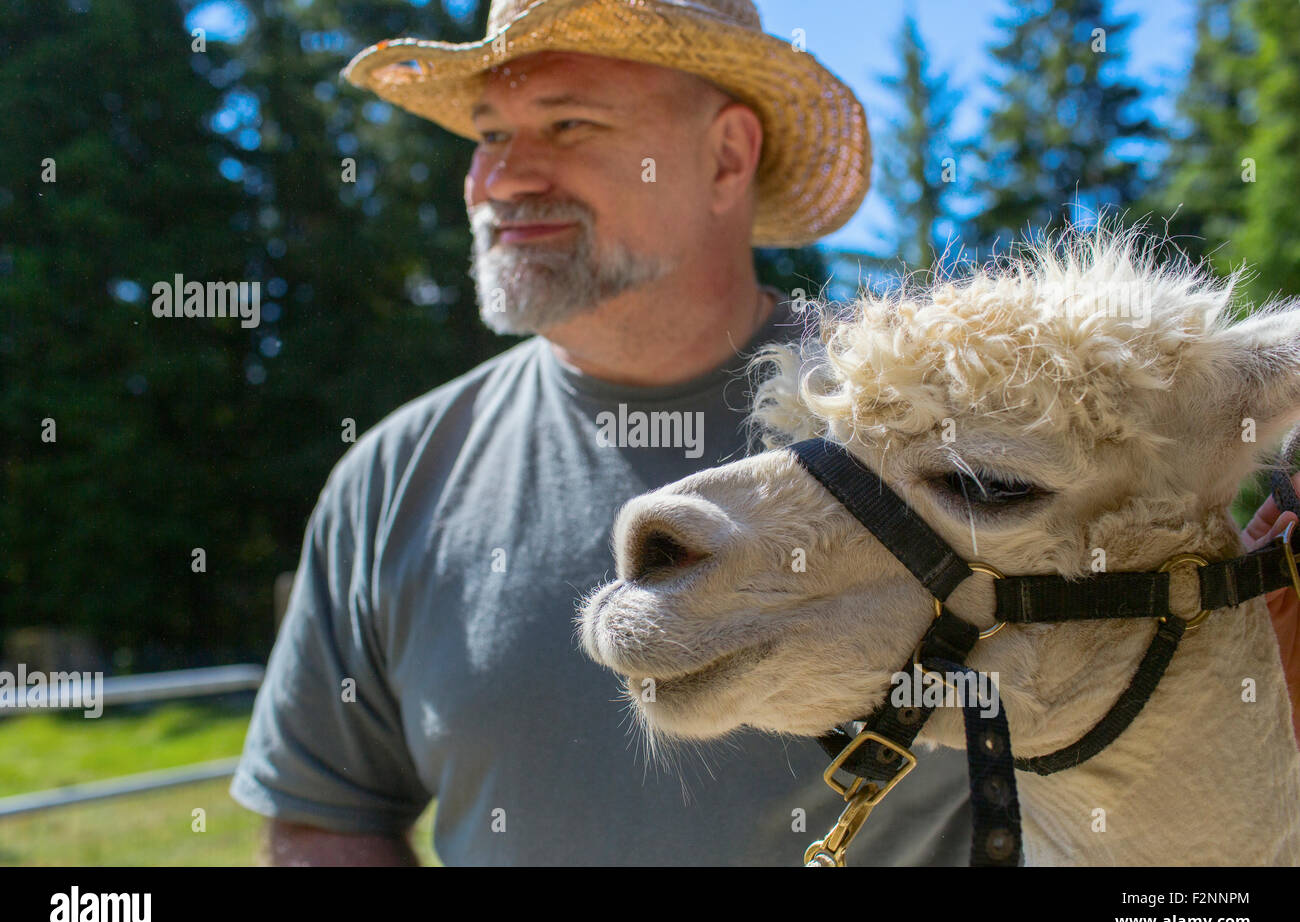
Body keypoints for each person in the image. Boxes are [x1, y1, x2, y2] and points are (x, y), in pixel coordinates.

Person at [230, 0, 1300, 865]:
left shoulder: (972, 406)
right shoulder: (392, 477)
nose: (501, 176)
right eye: (491, 135)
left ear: (726, 154)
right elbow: (328, 813)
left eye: (567, 125)